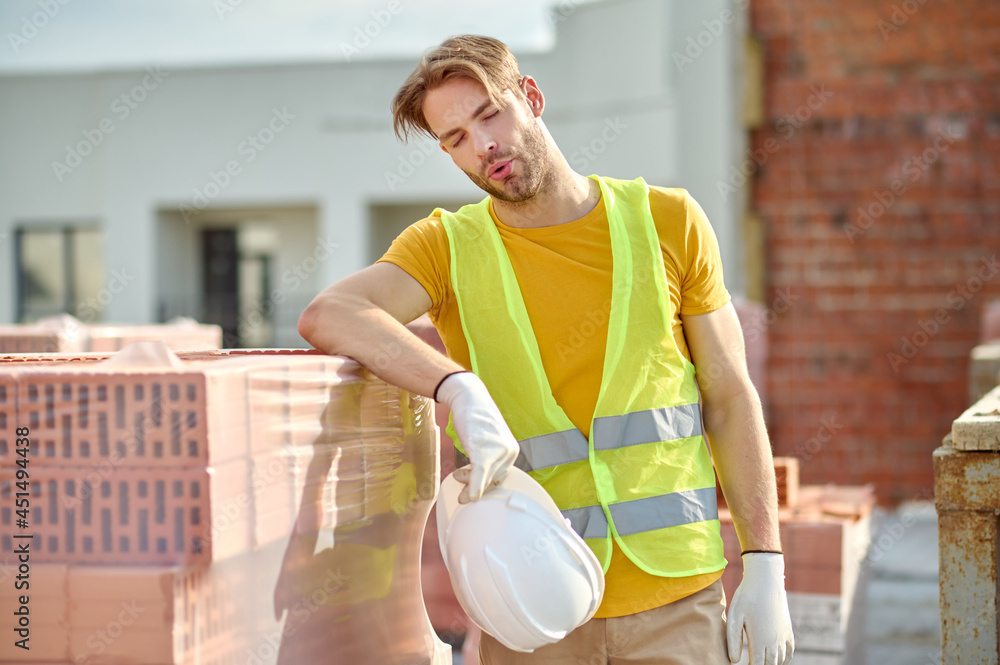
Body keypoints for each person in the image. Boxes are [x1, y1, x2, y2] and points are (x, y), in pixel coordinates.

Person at [298, 35, 793, 665]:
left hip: (677, 601)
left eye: (489, 114)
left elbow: (728, 398)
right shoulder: (445, 248)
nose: (483, 146)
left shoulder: (669, 222)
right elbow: (330, 314)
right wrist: (455, 386)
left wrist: (766, 565)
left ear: (530, 97)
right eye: (454, 139)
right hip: (532, 612)